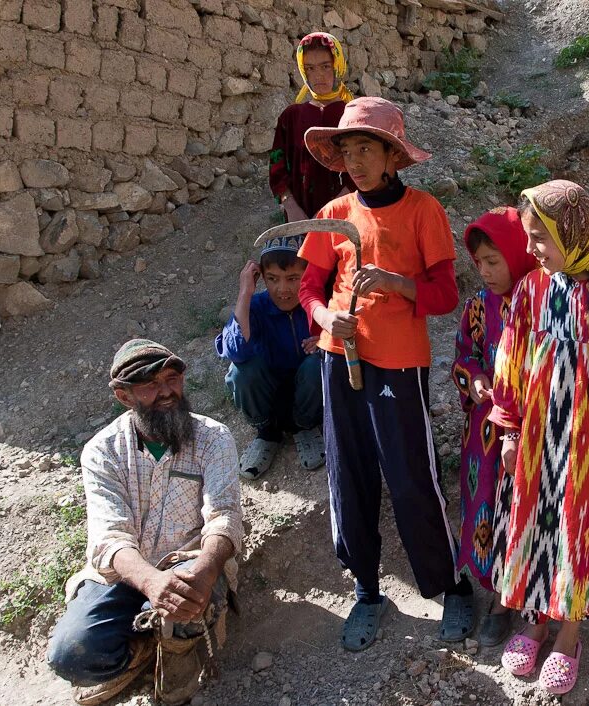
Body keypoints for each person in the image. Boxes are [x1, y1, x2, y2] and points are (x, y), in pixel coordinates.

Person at [297, 96, 473, 651]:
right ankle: (367, 590)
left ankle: (451, 588)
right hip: (337, 355)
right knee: (348, 475)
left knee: (410, 475)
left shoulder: (423, 210)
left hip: (398, 361)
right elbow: (308, 288)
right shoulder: (332, 215)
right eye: (347, 149)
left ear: (392, 155)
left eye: (366, 148)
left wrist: (397, 284)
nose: (355, 160)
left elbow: (446, 294)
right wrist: (327, 316)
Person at [491, 180, 589, 695]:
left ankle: (569, 633)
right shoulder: (530, 289)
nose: (532, 249)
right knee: (538, 522)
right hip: (540, 437)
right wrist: (510, 430)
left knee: (581, 528)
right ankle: (537, 620)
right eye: (530, 236)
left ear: (575, 232)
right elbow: (510, 363)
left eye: (542, 237)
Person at [46, 339, 243, 706]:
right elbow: (110, 537)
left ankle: (178, 650)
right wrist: (151, 581)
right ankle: (141, 653)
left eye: (172, 378)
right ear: (124, 396)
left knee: (186, 601)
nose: (167, 392)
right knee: (70, 655)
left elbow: (225, 517)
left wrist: (205, 569)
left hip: (187, 563)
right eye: (150, 385)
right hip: (125, 573)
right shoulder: (102, 451)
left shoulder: (213, 438)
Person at [452, 207, 538, 647]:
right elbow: (462, 357)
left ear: (519, 252)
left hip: (533, 428)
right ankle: (500, 596)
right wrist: (476, 378)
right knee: (488, 503)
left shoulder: (545, 302)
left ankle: (529, 600)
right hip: (484, 435)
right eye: (480, 262)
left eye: (494, 260)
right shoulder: (476, 308)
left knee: (526, 508)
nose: (485, 271)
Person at [216, 234, 325, 477]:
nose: (282, 289)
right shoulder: (255, 307)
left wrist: (326, 341)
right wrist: (245, 292)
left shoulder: (319, 304)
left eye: (293, 278)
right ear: (262, 278)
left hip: (309, 396)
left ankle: (305, 427)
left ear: (307, 275)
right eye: (272, 279)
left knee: (319, 363)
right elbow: (235, 351)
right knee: (242, 370)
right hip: (269, 394)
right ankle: (267, 434)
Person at [269, 32, 355, 222]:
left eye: (325, 66)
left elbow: (361, 170)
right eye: (310, 68)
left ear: (337, 66)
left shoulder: (354, 114)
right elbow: (277, 168)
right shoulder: (291, 116)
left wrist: (327, 215)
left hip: (346, 218)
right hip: (299, 221)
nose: (318, 75)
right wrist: (291, 209)